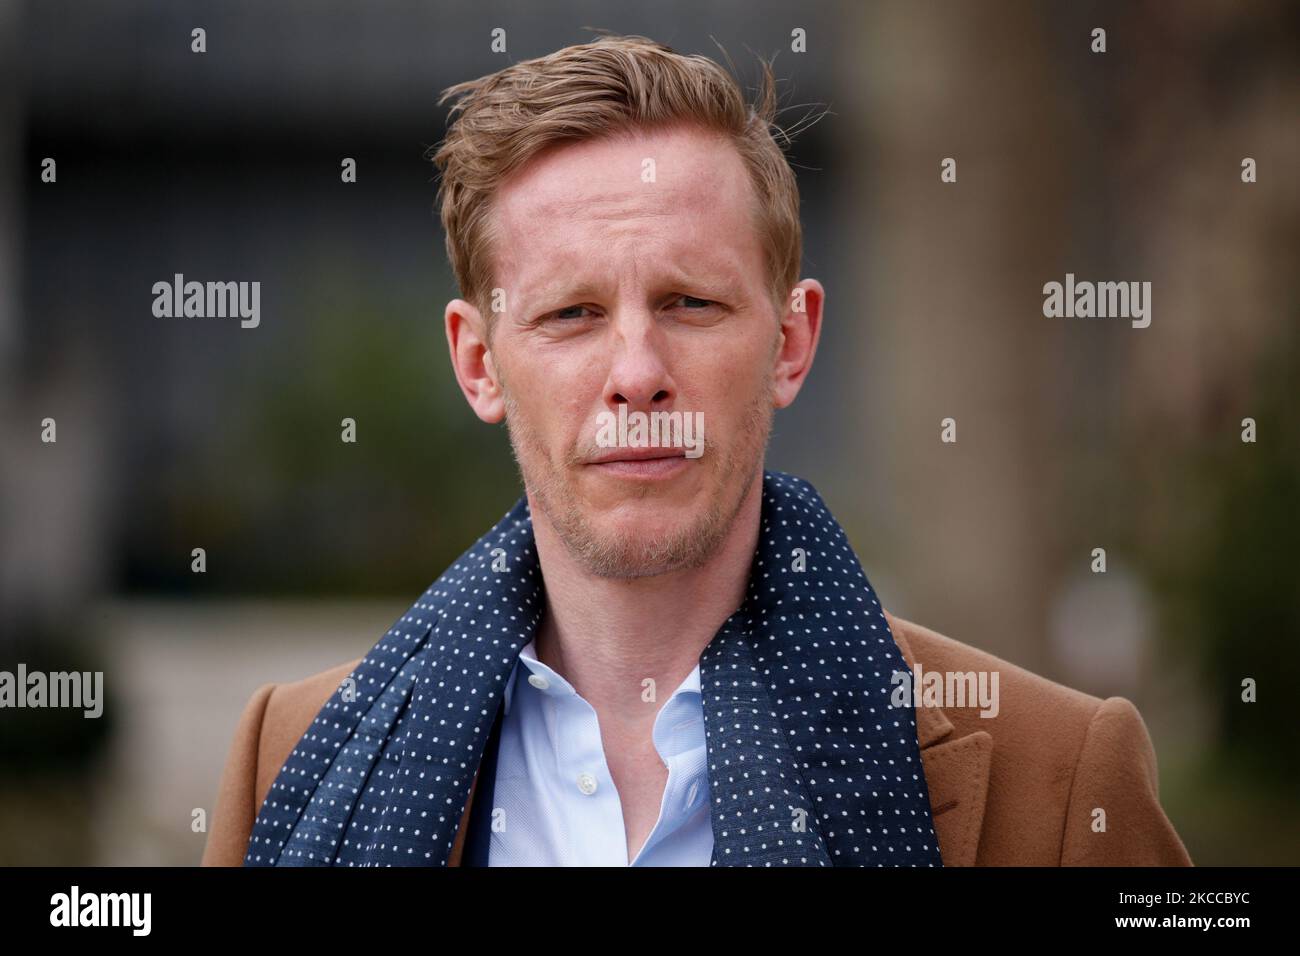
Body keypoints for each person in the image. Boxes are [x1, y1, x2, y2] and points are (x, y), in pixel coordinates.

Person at [201, 34, 1191, 867]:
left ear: (790, 342)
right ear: (478, 362)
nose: (637, 370)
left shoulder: (1058, 780)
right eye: (571, 312)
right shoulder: (290, 757)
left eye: (691, 303)